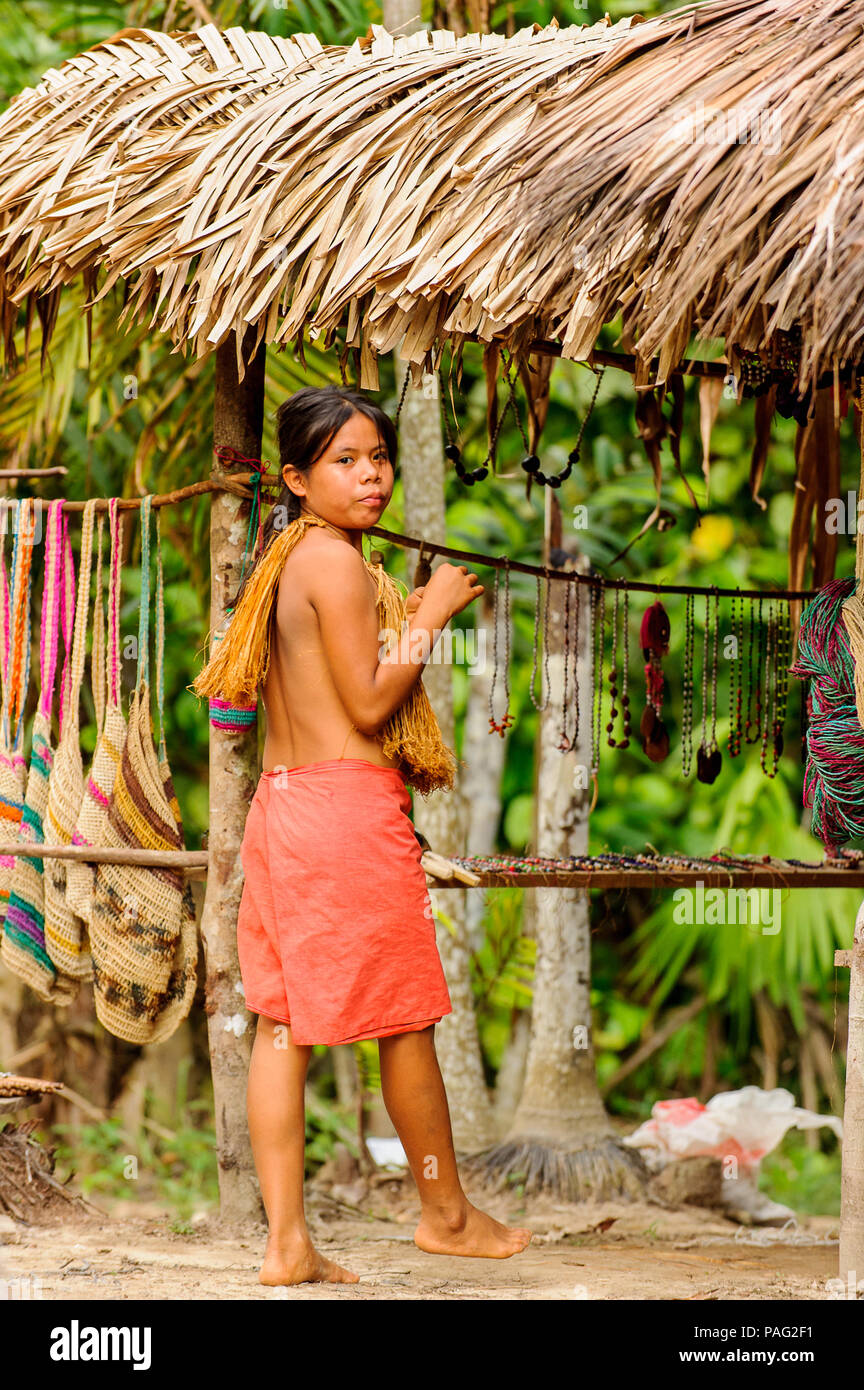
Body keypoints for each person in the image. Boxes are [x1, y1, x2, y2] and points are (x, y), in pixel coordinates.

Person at [192, 385, 532, 1287]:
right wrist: (428, 615)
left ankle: (287, 1242)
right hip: (345, 810)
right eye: (345, 460)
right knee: (408, 1019)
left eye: (379, 456)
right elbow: (372, 700)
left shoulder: (289, 555)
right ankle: (445, 1213)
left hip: (285, 802)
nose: (372, 475)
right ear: (298, 478)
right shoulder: (337, 566)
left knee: (282, 1025)